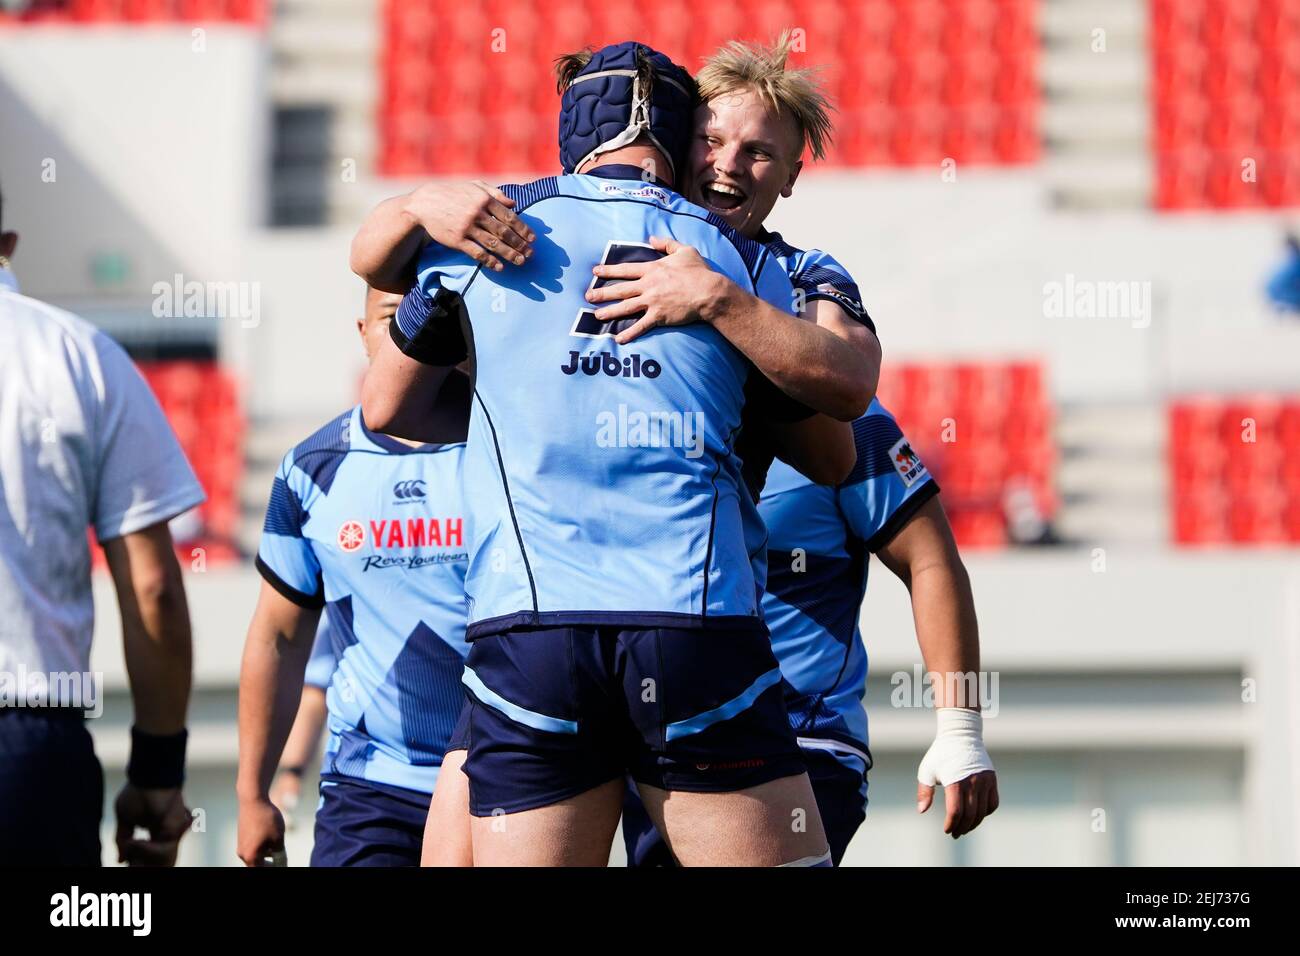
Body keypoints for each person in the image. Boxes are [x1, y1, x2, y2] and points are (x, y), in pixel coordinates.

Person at [361, 41, 845, 867]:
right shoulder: (752, 259)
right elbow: (835, 443)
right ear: (682, 134)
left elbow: (385, 412)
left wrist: (415, 216)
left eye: (756, 151)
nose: (728, 166)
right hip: (694, 625)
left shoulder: (482, 231)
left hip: (533, 635)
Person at [0, 184, 202, 866]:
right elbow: (155, 592)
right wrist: (156, 773)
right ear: (7, 248)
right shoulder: (77, 353)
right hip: (28, 747)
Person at [236, 288, 472, 867]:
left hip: (501, 782)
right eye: (394, 323)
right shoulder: (311, 470)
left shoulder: (513, 447)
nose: (410, 342)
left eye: (430, 323)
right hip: (369, 790)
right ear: (363, 332)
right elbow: (277, 636)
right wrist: (251, 794)